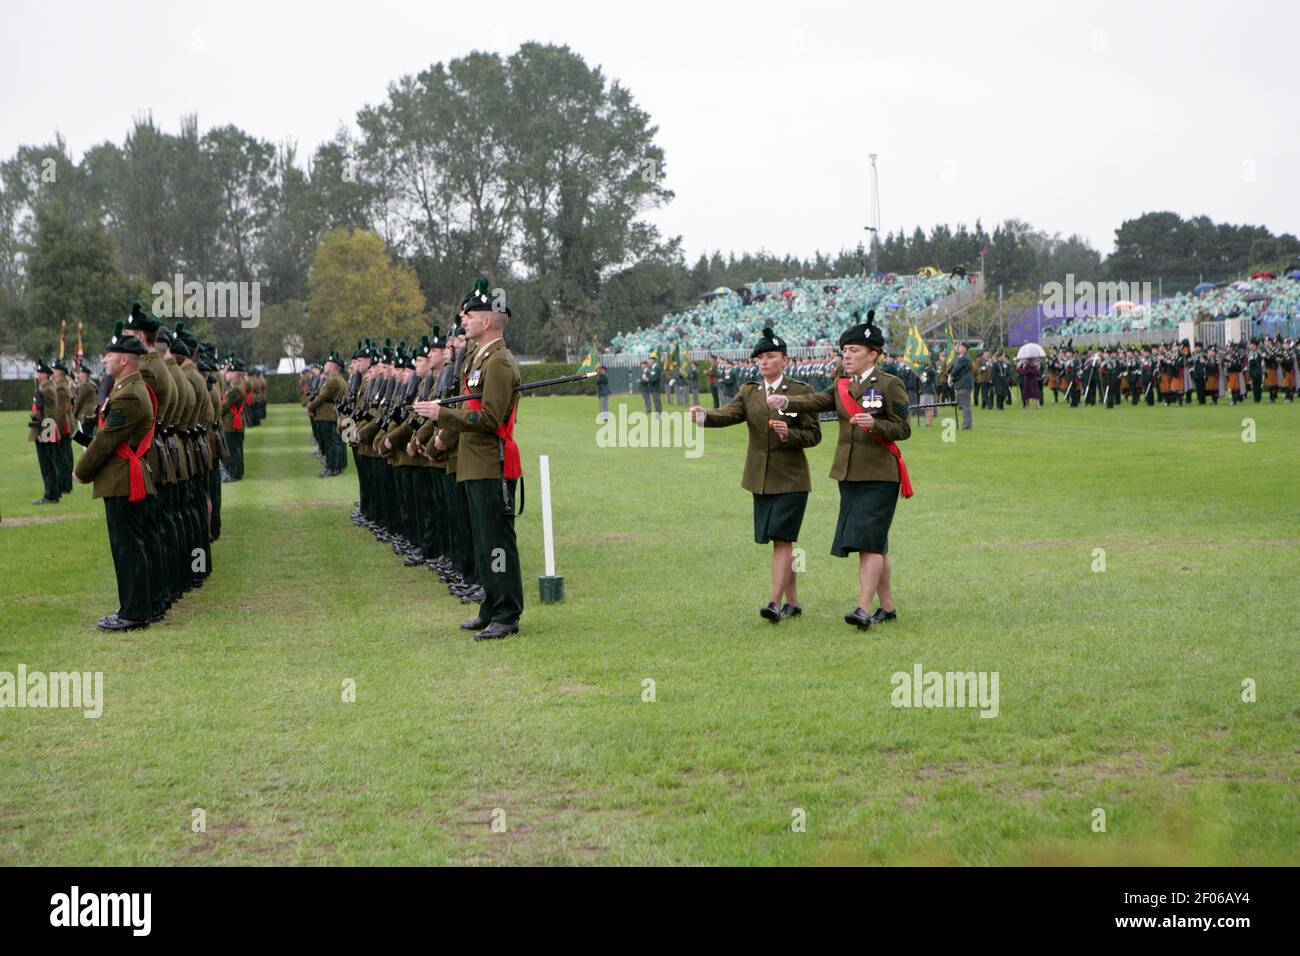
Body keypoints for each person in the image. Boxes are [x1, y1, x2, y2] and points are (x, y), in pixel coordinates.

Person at [767, 312, 912, 631]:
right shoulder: (842, 385)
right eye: (845, 350)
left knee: (869, 543)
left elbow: (903, 429)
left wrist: (876, 424)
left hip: (880, 475)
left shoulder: (891, 384)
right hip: (849, 474)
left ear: (873, 354)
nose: (847, 355)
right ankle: (887, 608)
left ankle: (863, 608)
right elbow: (816, 402)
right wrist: (785, 401)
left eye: (854, 350)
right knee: (874, 542)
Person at [416, 276, 523, 641]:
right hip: (473, 463)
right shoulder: (477, 359)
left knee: (496, 542)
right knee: (482, 540)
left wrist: (441, 416)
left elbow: (490, 419)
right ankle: (491, 606)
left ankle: (507, 612)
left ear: (489, 319)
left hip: (490, 463)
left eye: (471, 314)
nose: (464, 319)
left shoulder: (500, 363)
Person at [691, 327, 821, 623]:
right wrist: (704, 416)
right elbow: (730, 414)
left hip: (791, 479)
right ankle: (794, 603)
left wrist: (790, 433)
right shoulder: (750, 391)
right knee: (779, 542)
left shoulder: (800, 391)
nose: (764, 362)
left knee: (783, 539)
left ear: (784, 360)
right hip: (760, 478)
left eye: (771, 356)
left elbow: (814, 435)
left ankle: (774, 603)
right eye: (760, 357)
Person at [73, 323, 158, 632]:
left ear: (124, 359)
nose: (105, 360)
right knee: (127, 546)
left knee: (128, 547)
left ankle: (134, 613)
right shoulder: (126, 388)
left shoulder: (129, 394)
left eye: (109, 356)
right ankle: (132, 608)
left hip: (124, 479)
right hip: (122, 478)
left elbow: (108, 439)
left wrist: (81, 470)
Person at [308, 352, 348, 477]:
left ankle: (332, 467)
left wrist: (310, 407)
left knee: (330, 443)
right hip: (329, 413)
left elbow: (321, 397)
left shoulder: (333, 381)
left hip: (327, 414)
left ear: (333, 367)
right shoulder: (336, 379)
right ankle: (337, 466)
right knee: (334, 442)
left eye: (327, 364)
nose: (325, 366)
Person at [949, 342, 974, 429]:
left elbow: (956, 369)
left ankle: (967, 425)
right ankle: (966, 424)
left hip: (963, 384)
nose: (958, 348)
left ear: (964, 349)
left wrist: (951, 376)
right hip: (963, 384)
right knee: (964, 405)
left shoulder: (964, 358)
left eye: (959, 347)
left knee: (965, 406)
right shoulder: (962, 358)